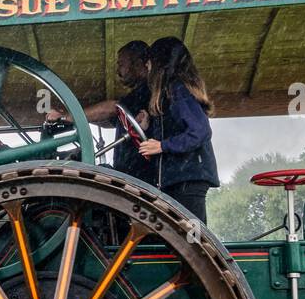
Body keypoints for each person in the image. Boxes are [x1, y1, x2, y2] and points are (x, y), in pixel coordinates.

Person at [136, 36, 220, 223]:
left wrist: (163, 146)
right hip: (183, 177)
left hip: (187, 178)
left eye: (150, 61)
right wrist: (149, 127)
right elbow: (178, 127)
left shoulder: (177, 90)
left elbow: (200, 131)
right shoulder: (175, 90)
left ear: (159, 63)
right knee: (185, 234)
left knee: (192, 237)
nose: (147, 66)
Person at [46, 41, 155, 182]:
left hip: (138, 174)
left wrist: (67, 117)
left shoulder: (147, 92)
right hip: (135, 174)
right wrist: (83, 118)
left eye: (121, 65)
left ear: (138, 63)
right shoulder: (142, 96)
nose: (118, 71)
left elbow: (112, 108)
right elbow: (110, 120)